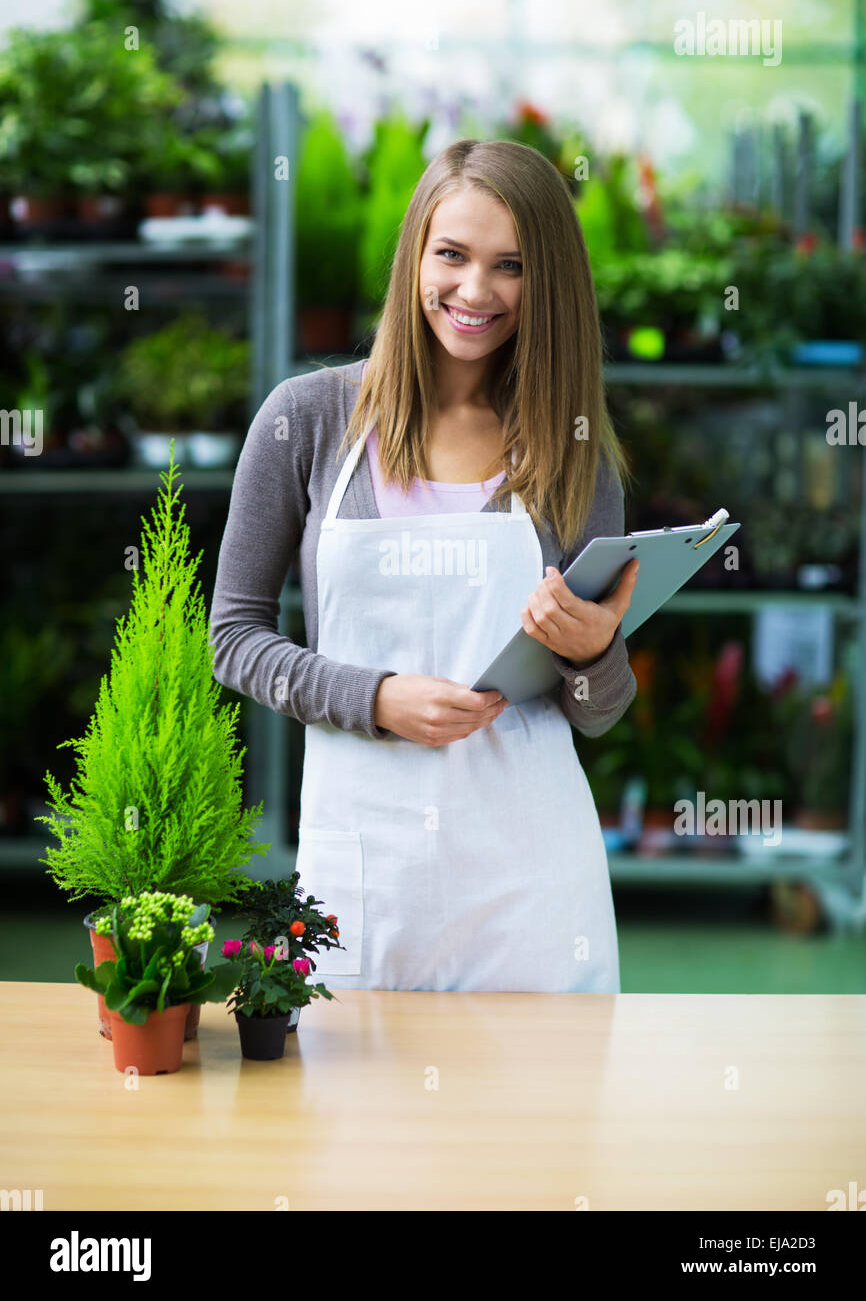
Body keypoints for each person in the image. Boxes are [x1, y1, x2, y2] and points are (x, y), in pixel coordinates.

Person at [209, 137, 639, 993]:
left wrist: (592, 652)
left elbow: (600, 714)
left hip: (533, 881)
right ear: (415, 255)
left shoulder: (573, 447)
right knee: (353, 1080)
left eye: (511, 266)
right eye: (452, 255)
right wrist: (375, 698)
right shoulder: (307, 420)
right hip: (365, 869)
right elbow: (234, 638)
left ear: (549, 283)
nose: (475, 291)